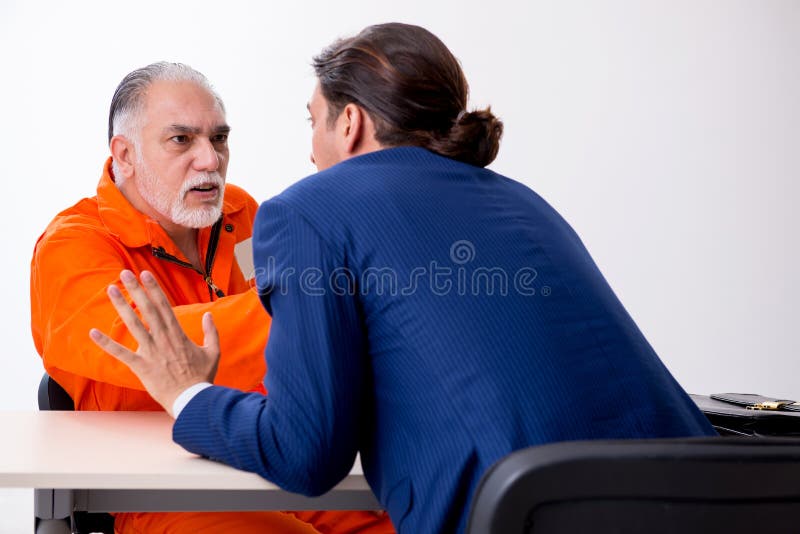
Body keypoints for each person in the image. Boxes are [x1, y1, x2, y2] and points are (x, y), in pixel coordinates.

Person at [90, 25, 717, 534]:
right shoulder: (523, 201)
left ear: (351, 123)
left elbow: (306, 452)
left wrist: (186, 396)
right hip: (713, 504)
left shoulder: (307, 209)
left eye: (312, 121)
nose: (311, 151)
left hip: (521, 518)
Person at [30, 62, 392, 534]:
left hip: (260, 452)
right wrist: (316, 309)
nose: (210, 160)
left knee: (400, 517)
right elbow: (148, 344)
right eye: (182, 140)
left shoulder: (241, 214)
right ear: (125, 155)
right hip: (160, 490)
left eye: (219, 139)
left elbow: (289, 322)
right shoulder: (72, 246)